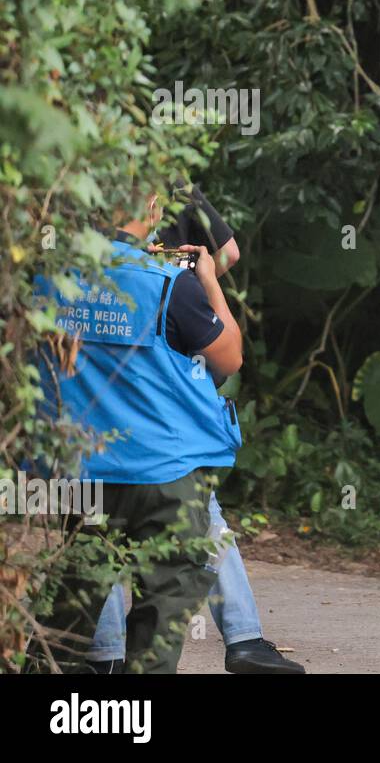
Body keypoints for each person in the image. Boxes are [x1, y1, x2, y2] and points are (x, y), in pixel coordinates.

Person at [85, 184, 304, 674]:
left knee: (94, 530)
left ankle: (103, 655)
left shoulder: (69, 270)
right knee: (197, 519)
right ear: (151, 206)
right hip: (166, 416)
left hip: (91, 430)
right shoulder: (173, 212)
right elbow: (228, 263)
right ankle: (241, 638)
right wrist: (195, 284)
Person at [28, 188, 244, 673]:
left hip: (85, 476)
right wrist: (209, 282)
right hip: (166, 476)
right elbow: (229, 357)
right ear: (153, 210)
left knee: (65, 619)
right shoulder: (168, 283)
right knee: (158, 623)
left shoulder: (49, 279)